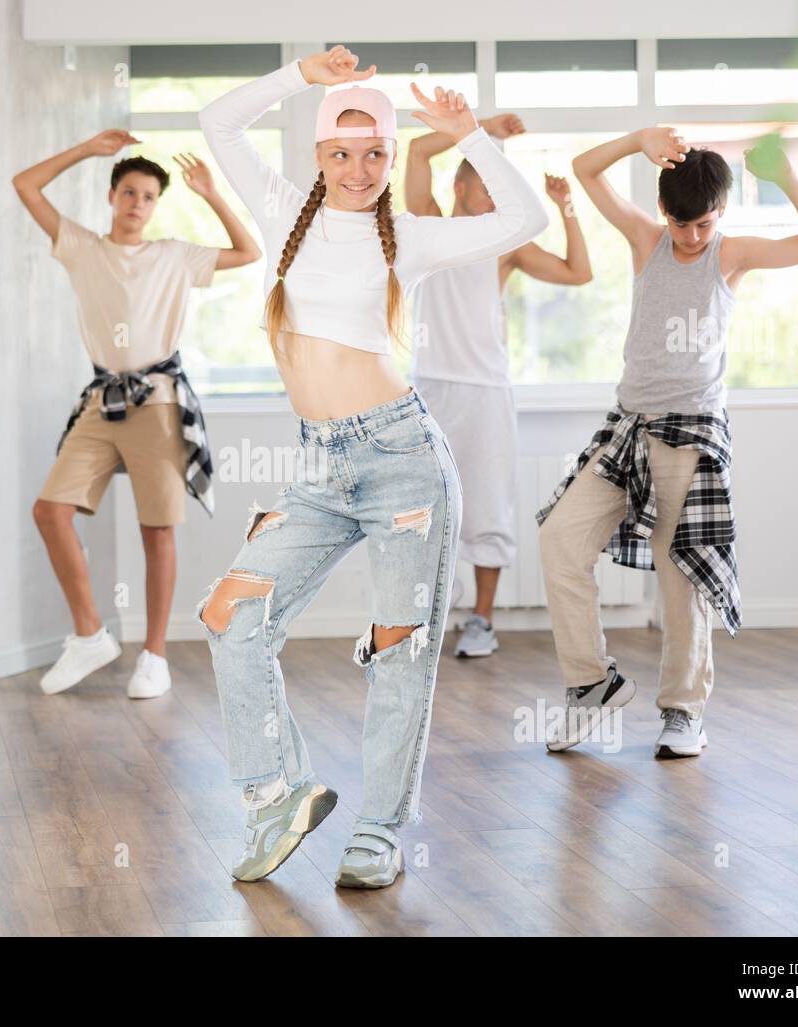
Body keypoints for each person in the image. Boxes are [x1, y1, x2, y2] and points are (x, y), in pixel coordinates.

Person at [197, 45, 547, 888]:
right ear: (317, 154)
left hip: (403, 464)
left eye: (376, 153)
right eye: (340, 152)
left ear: (393, 157)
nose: (358, 169)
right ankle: (277, 793)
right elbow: (217, 123)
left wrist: (470, 137)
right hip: (319, 468)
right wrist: (299, 78)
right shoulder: (283, 209)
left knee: (401, 652)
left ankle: (381, 831)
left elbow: (525, 220)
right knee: (232, 619)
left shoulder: (414, 237)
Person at [538, 127, 798, 757]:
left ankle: (683, 711)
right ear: (663, 214)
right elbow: (584, 171)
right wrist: (636, 141)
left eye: (702, 224)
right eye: (681, 225)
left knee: (681, 573)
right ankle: (590, 684)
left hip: (693, 433)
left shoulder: (731, 254)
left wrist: (783, 175)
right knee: (560, 539)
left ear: (719, 213)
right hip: (629, 427)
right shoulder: (647, 241)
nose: (692, 237)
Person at [15, 131, 260, 699]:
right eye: (128, 192)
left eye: (148, 196)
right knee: (50, 511)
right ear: (112, 195)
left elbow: (249, 252)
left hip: (158, 402)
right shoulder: (81, 247)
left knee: (157, 529)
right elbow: (24, 186)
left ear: (156, 205)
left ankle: (154, 656)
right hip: (103, 401)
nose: (137, 204)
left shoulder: (174, 255)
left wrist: (213, 195)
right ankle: (89, 636)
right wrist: (83, 149)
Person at [406, 118, 592, 658]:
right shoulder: (428, 227)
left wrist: (567, 210)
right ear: (459, 187)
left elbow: (578, 273)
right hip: (431, 389)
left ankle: (481, 621)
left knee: (488, 506)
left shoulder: (505, 246)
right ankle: (429, 609)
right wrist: (478, 128)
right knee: (423, 508)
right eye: (485, 181)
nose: (494, 194)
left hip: (486, 391)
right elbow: (418, 152)